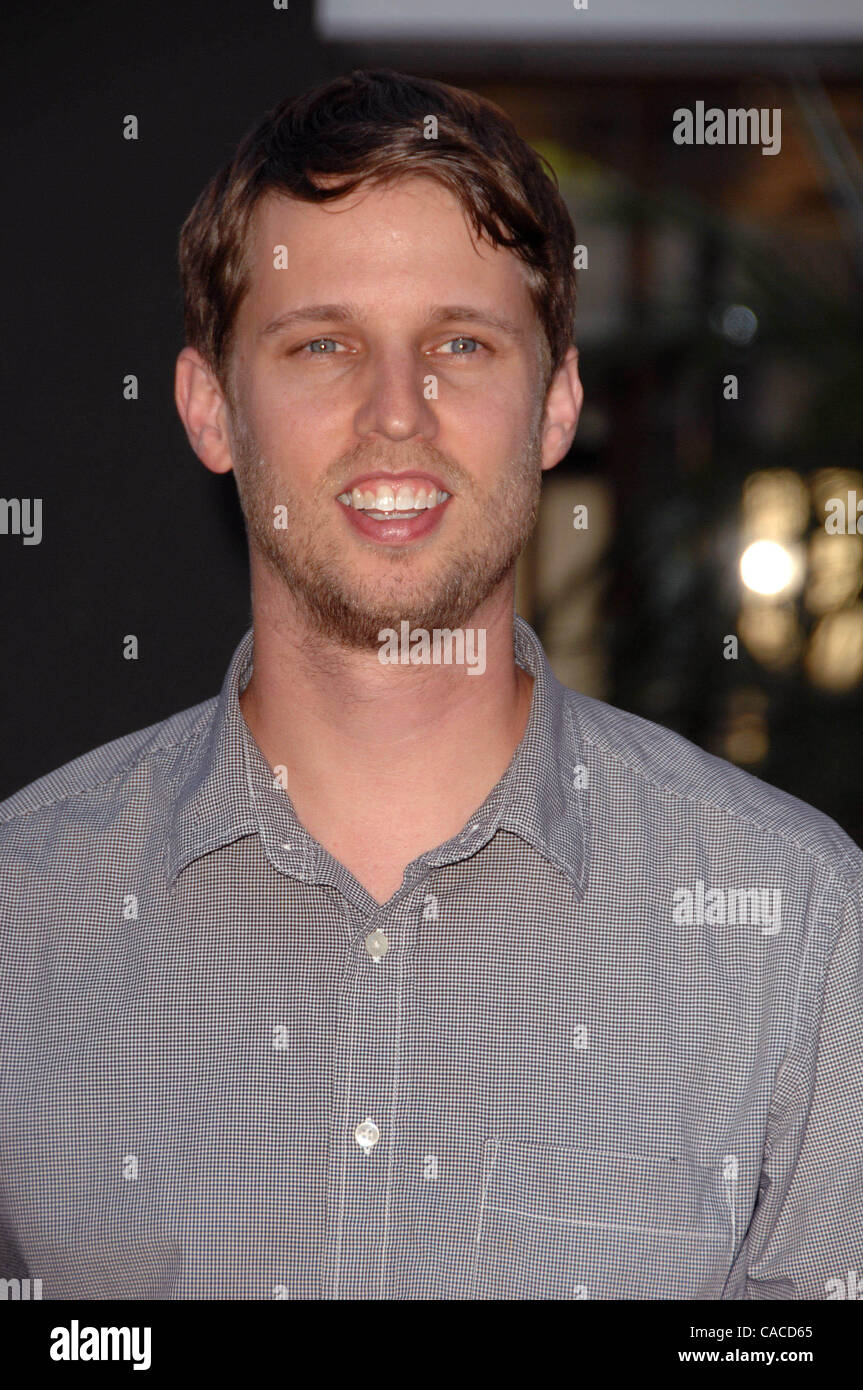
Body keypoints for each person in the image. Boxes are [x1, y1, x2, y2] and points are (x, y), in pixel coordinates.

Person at [1, 68, 861, 1302]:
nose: (395, 414)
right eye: (321, 345)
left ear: (555, 401)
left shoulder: (796, 930)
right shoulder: (21, 924)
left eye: (460, 342)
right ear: (209, 410)